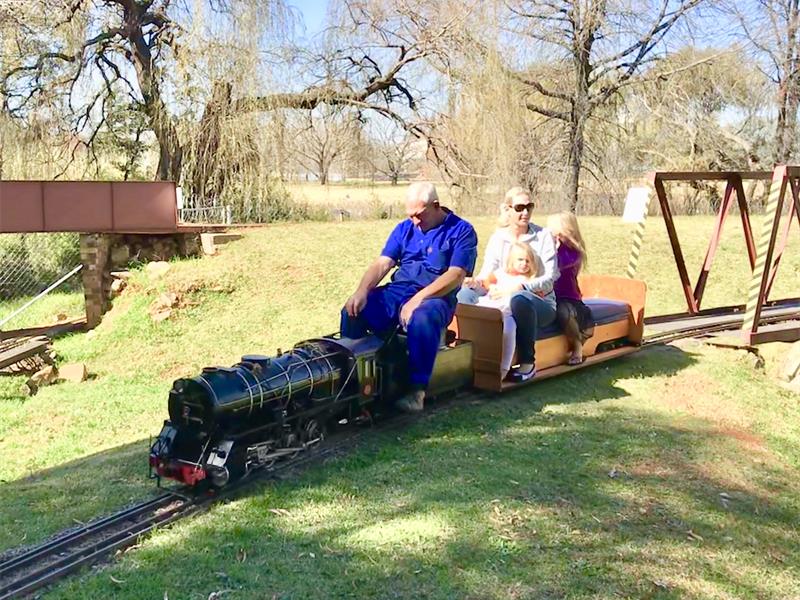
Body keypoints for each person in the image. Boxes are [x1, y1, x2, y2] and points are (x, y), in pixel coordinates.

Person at [341, 182, 478, 413]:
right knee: (353, 310)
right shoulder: (404, 229)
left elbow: (456, 275)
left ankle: (417, 391)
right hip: (399, 290)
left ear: (436, 206)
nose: (415, 221)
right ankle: (352, 382)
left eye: (419, 215)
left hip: (437, 297)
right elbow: (383, 262)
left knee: (422, 317)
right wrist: (361, 291)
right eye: (410, 215)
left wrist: (418, 300)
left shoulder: (461, 230)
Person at [457, 187, 558, 382]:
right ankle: (471, 353)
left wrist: (520, 288)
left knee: (519, 299)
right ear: (508, 209)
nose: (525, 213)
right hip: (501, 296)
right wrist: (475, 282)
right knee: (464, 295)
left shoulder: (543, 235)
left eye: (530, 207)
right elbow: (488, 274)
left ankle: (528, 363)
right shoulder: (498, 238)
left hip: (538, 302)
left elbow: (549, 278)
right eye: (520, 207)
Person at [476, 242, 542, 379]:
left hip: (509, 313)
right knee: (477, 316)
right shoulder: (501, 274)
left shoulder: (529, 280)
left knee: (508, 330)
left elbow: (536, 296)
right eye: (520, 259)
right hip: (492, 307)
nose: (524, 263)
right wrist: (489, 287)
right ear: (511, 260)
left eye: (528, 261)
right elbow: (487, 282)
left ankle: (504, 369)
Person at [547, 212, 592, 365]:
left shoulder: (574, 253)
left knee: (563, 311)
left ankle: (577, 346)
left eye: (555, 231)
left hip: (568, 298)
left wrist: (554, 250)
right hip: (548, 295)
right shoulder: (548, 248)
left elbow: (557, 267)